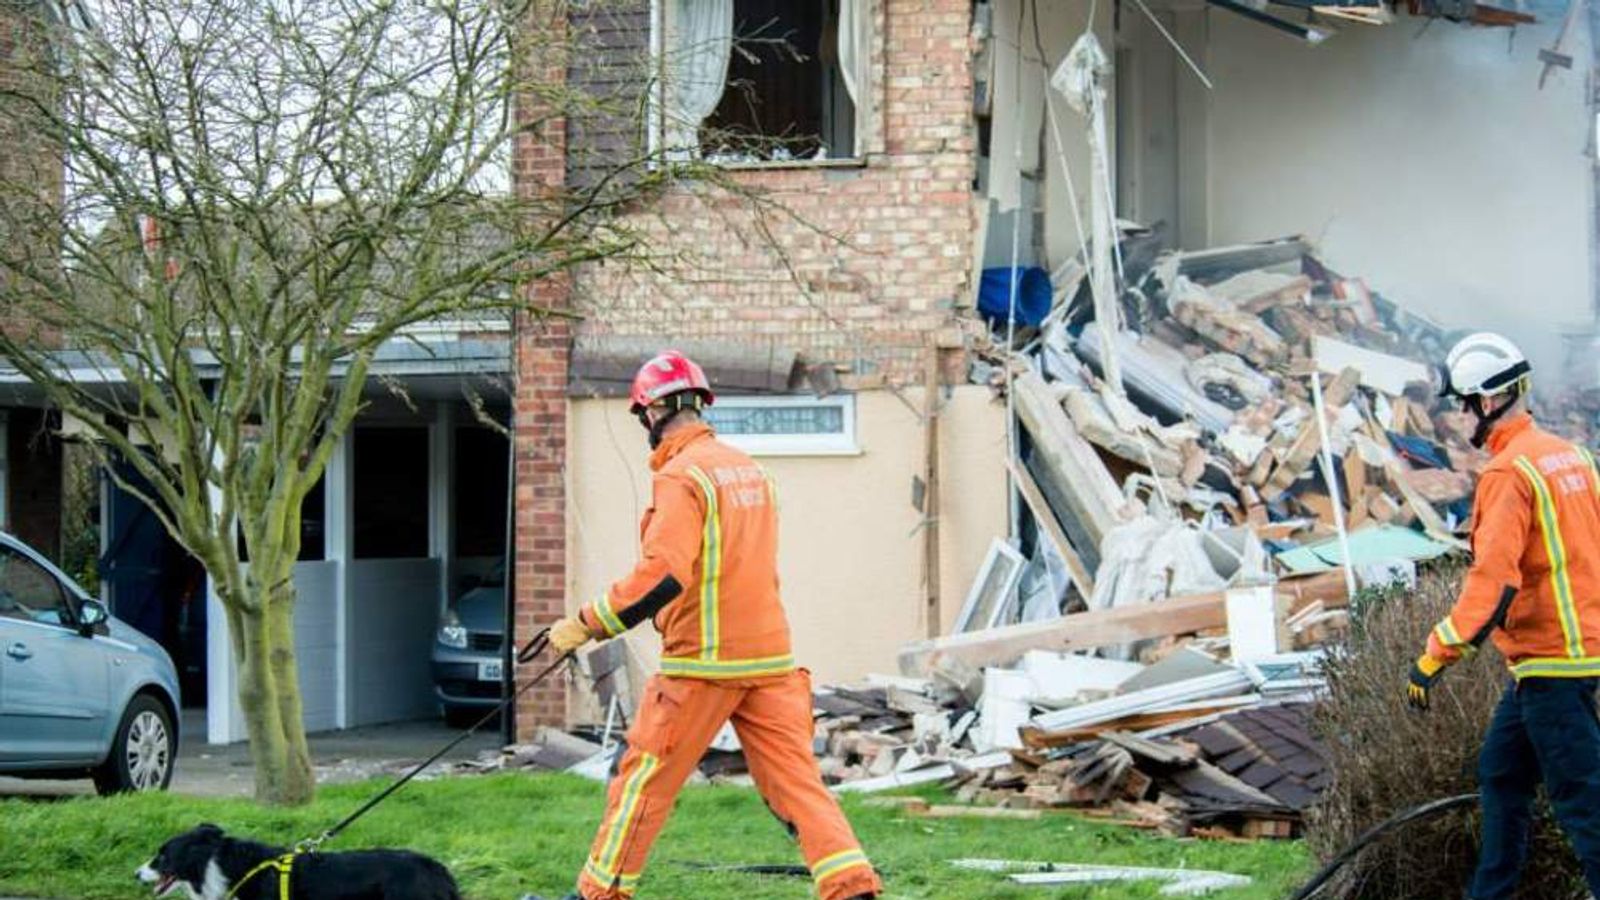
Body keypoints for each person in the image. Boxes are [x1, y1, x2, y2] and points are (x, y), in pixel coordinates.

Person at [523, 351, 882, 900]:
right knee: (799, 786)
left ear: (655, 411)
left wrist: (584, 624)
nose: (643, 423)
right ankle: (852, 888)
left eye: (643, 412)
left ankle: (596, 896)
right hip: (771, 661)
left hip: (703, 665)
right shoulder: (749, 470)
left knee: (641, 784)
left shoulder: (680, 476)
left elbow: (662, 577)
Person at [1407, 332, 1600, 899]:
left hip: (1553, 665)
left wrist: (1434, 655)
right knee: (1502, 773)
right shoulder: (1570, 456)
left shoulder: (1508, 474)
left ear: (1488, 401)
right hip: (1566, 658)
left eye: (1464, 405)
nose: (1462, 417)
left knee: (1584, 802)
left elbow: (1493, 584)